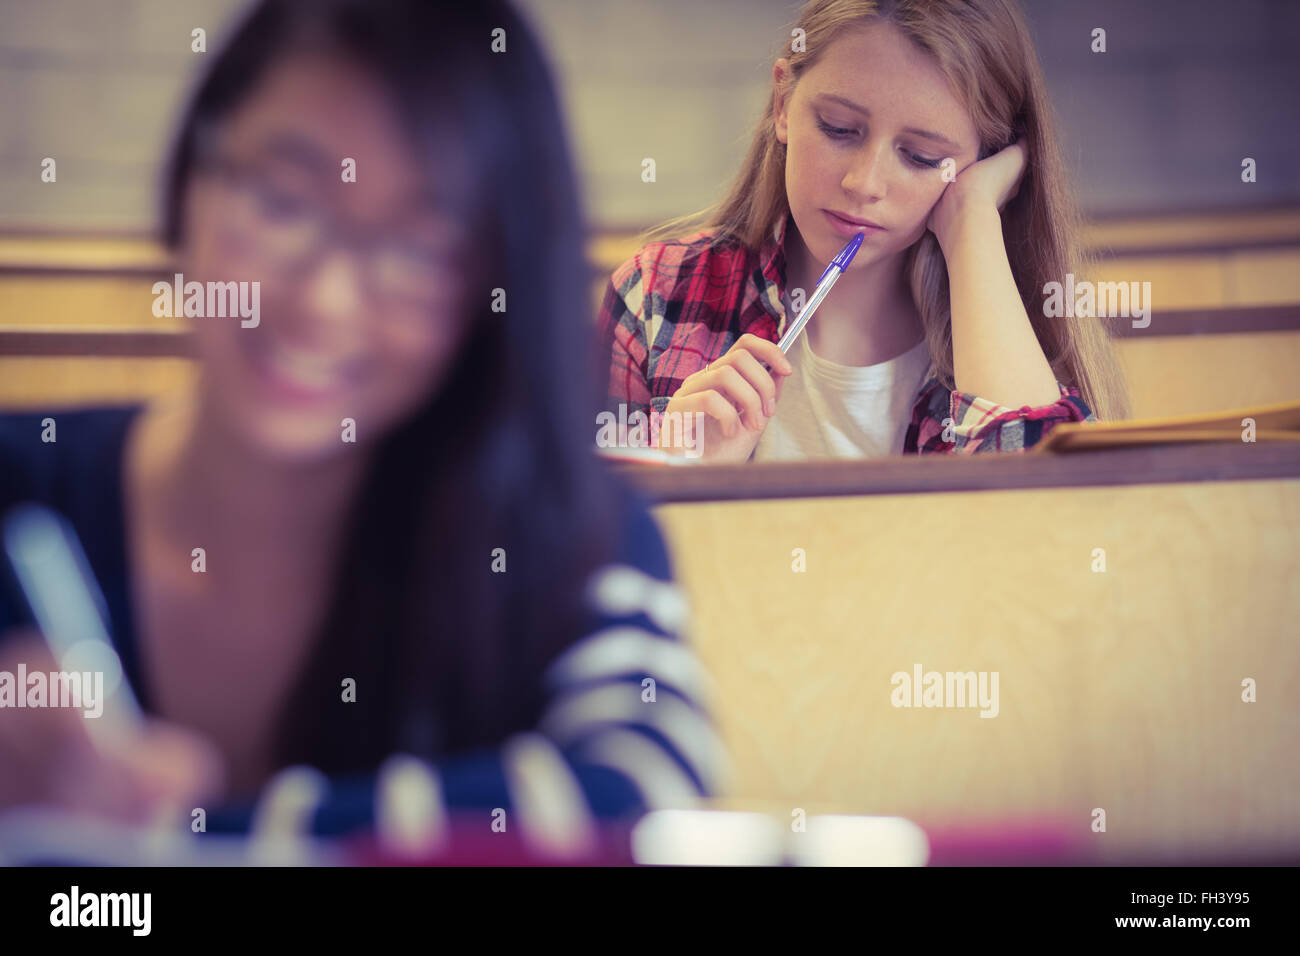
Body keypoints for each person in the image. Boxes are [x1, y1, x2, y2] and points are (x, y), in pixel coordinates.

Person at [0, 0, 720, 853]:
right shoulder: (24, 488)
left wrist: (179, 836)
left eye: (419, 250)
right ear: (188, 177)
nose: (323, 303)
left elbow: (645, 792)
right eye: (280, 201)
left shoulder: (568, 534)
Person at [597, 0, 1131, 463]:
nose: (864, 183)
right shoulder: (655, 295)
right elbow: (587, 558)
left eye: (922, 157)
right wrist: (682, 481)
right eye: (837, 129)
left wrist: (973, 221)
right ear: (783, 104)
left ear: (985, 163)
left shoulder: (1019, 340)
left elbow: (1045, 534)